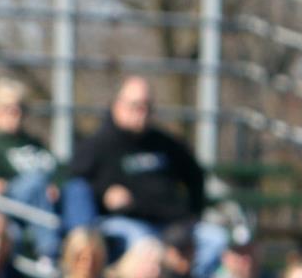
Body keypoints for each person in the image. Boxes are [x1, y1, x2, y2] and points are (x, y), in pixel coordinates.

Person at [68, 76, 210, 266]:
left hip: (173, 224)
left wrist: (194, 215)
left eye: (147, 106)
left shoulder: (165, 144)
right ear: (117, 105)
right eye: (135, 105)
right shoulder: (97, 144)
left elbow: (196, 175)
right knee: (145, 247)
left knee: (215, 240)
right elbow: (75, 183)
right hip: (127, 223)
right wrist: (104, 194)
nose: (142, 112)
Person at [0, 78, 59, 258]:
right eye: (8, 108)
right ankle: (49, 251)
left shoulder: (30, 141)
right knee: (34, 180)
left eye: (20, 108)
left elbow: (58, 167)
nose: (15, 114)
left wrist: (55, 184)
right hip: (8, 202)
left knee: (75, 188)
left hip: (39, 203)